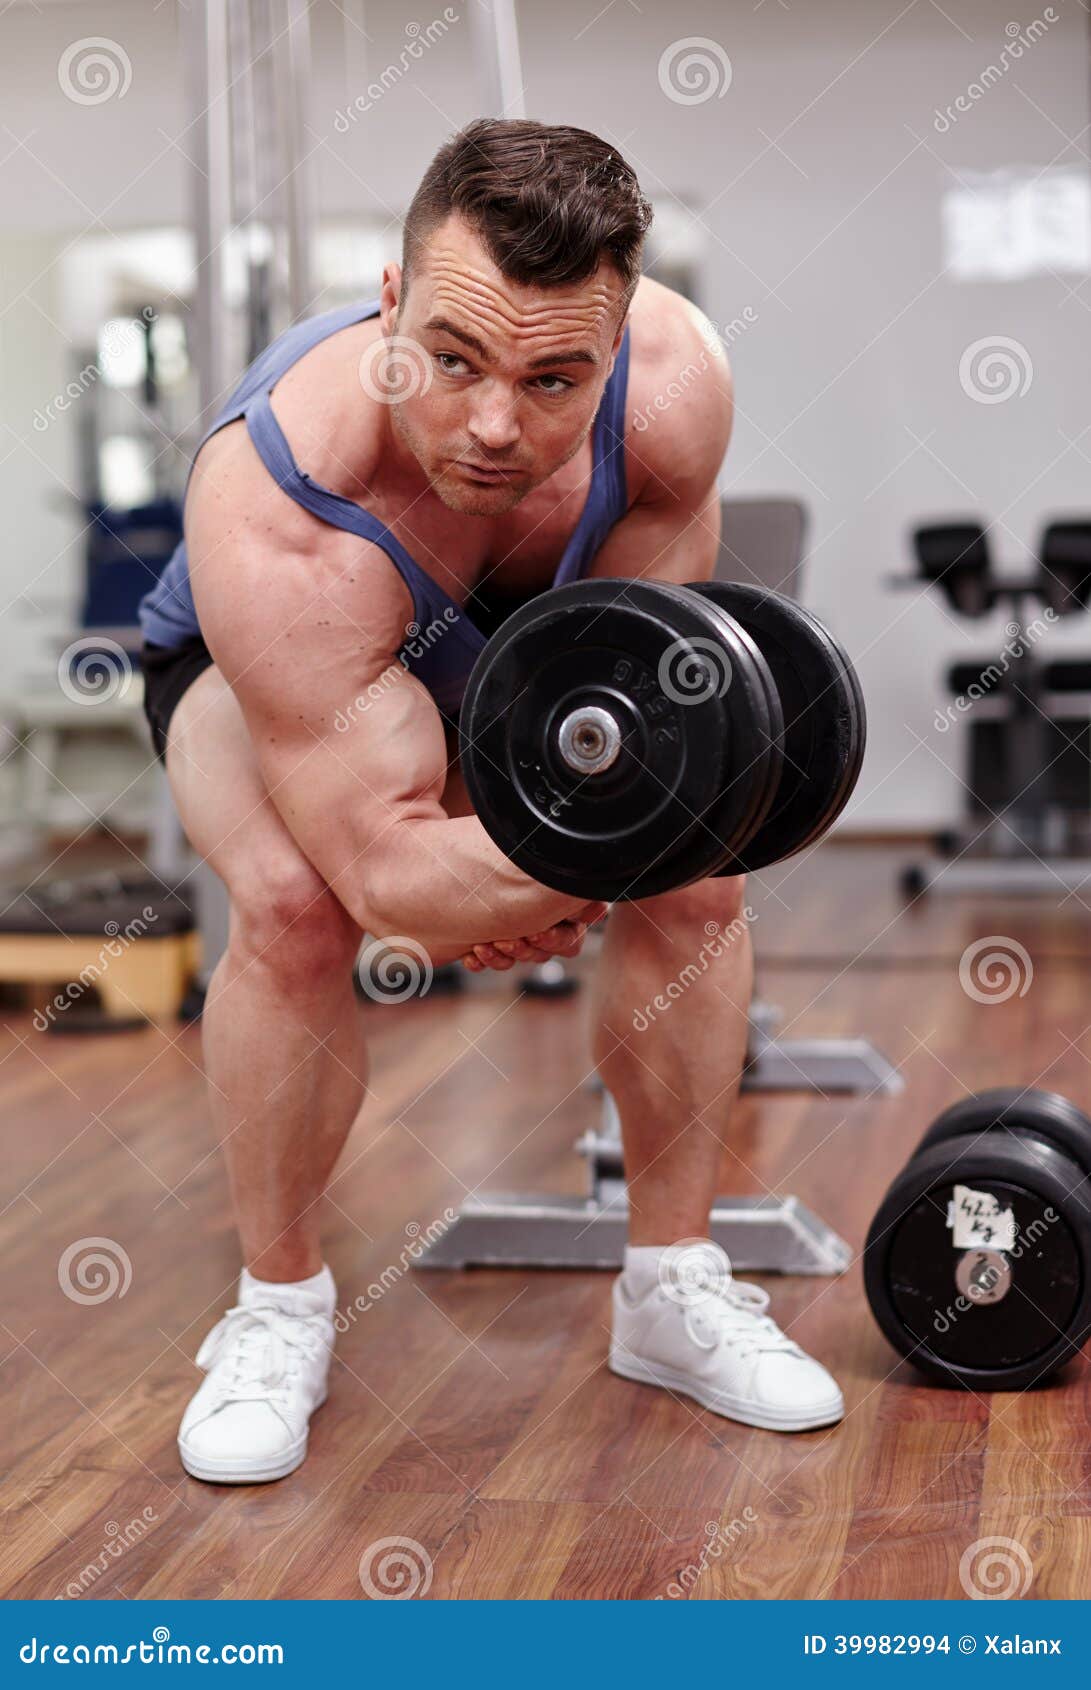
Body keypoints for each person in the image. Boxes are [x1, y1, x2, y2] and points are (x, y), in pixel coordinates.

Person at [139, 117, 844, 1485]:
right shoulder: (284, 495)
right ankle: (277, 1306)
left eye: (556, 376)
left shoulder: (672, 398)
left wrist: (561, 847)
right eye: (452, 359)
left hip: (515, 648)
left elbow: (643, 719)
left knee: (699, 877)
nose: (493, 424)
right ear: (391, 303)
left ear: (623, 341)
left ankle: (670, 1283)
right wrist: (524, 867)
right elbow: (394, 880)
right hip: (267, 663)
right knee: (292, 910)